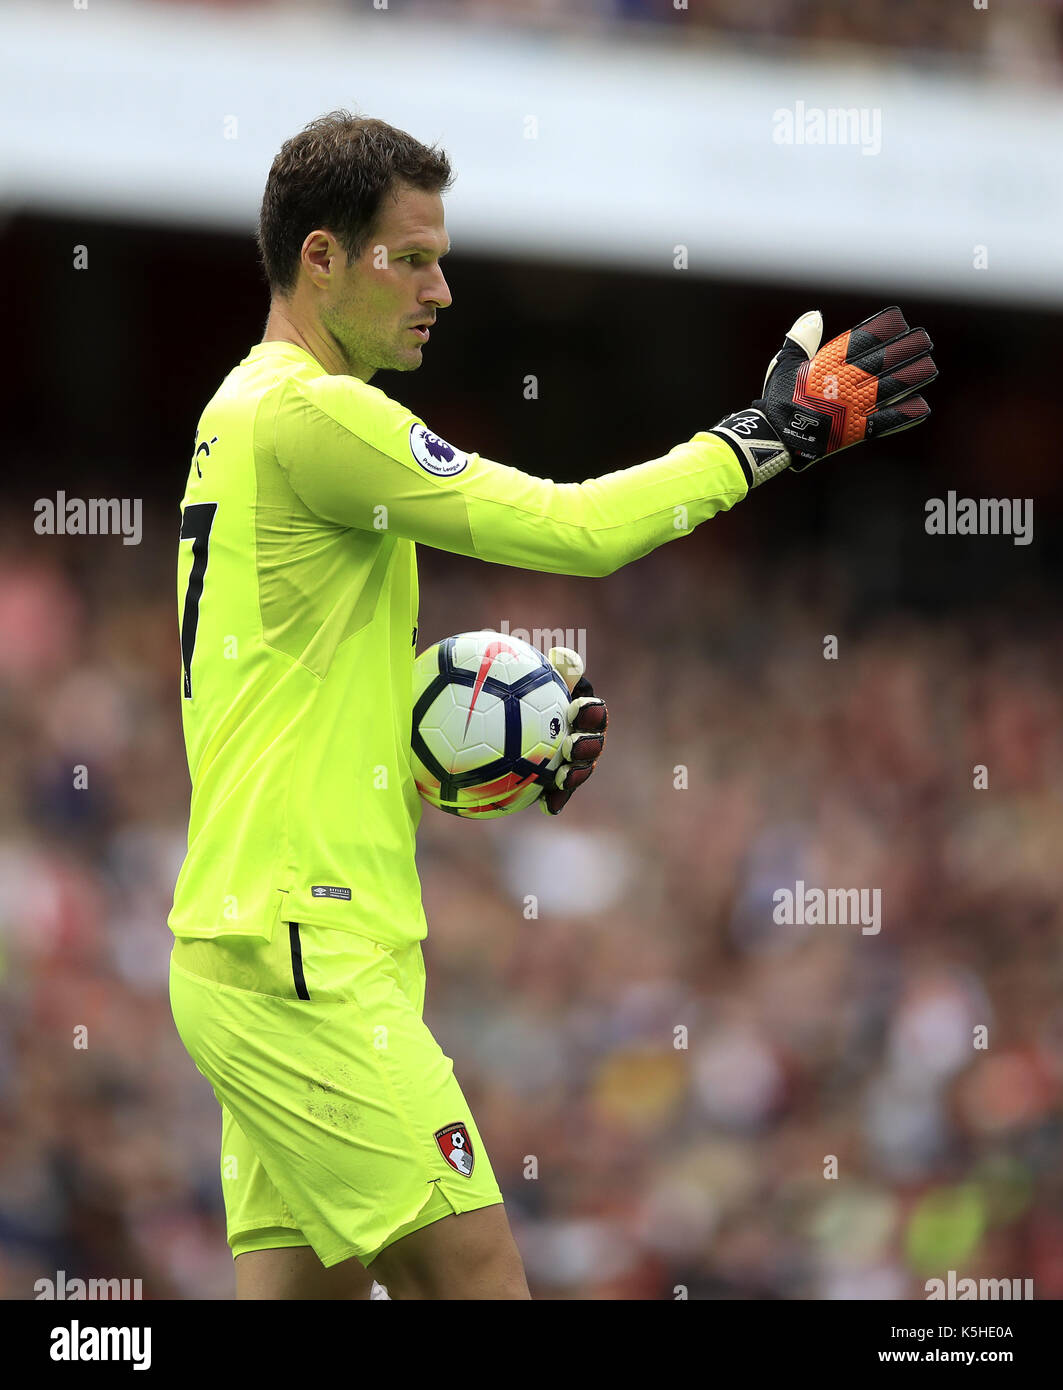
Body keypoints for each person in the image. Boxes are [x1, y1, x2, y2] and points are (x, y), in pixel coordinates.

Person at [167, 110, 936, 1299]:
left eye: (441, 256)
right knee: (479, 1277)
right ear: (320, 257)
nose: (442, 289)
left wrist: (464, 762)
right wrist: (771, 435)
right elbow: (576, 531)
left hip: (261, 943)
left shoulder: (237, 415)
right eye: (410, 258)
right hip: (305, 950)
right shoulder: (314, 414)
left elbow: (280, 703)